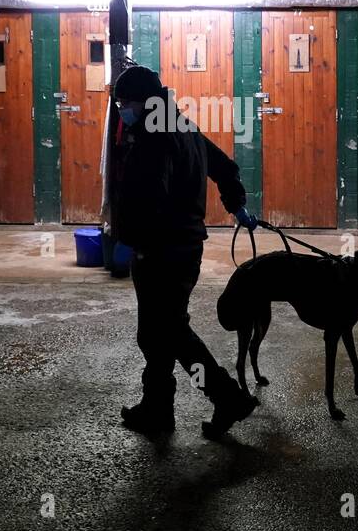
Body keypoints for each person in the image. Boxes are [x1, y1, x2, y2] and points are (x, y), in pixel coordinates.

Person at [111, 66, 260, 438]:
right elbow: (224, 167)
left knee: (169, 331)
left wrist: (131, 239)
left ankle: (225, 398)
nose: (122, 111)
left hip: (160, 251)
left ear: (143, 102)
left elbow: (149, 196)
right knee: (160, 330)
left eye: (124, 104)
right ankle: (157, 408)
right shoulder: (182, 126)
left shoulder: (151, 136)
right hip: (186, 247)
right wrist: (236, 204)